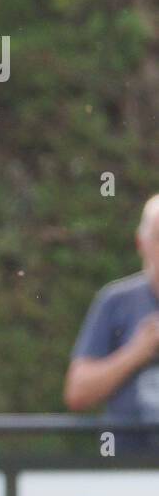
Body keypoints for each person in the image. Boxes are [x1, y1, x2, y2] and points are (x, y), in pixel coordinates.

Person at [64, 193, 159, 452]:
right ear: (142, 243)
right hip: (125, 474)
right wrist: (137, 352)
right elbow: (77, 393)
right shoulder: (116, 301)